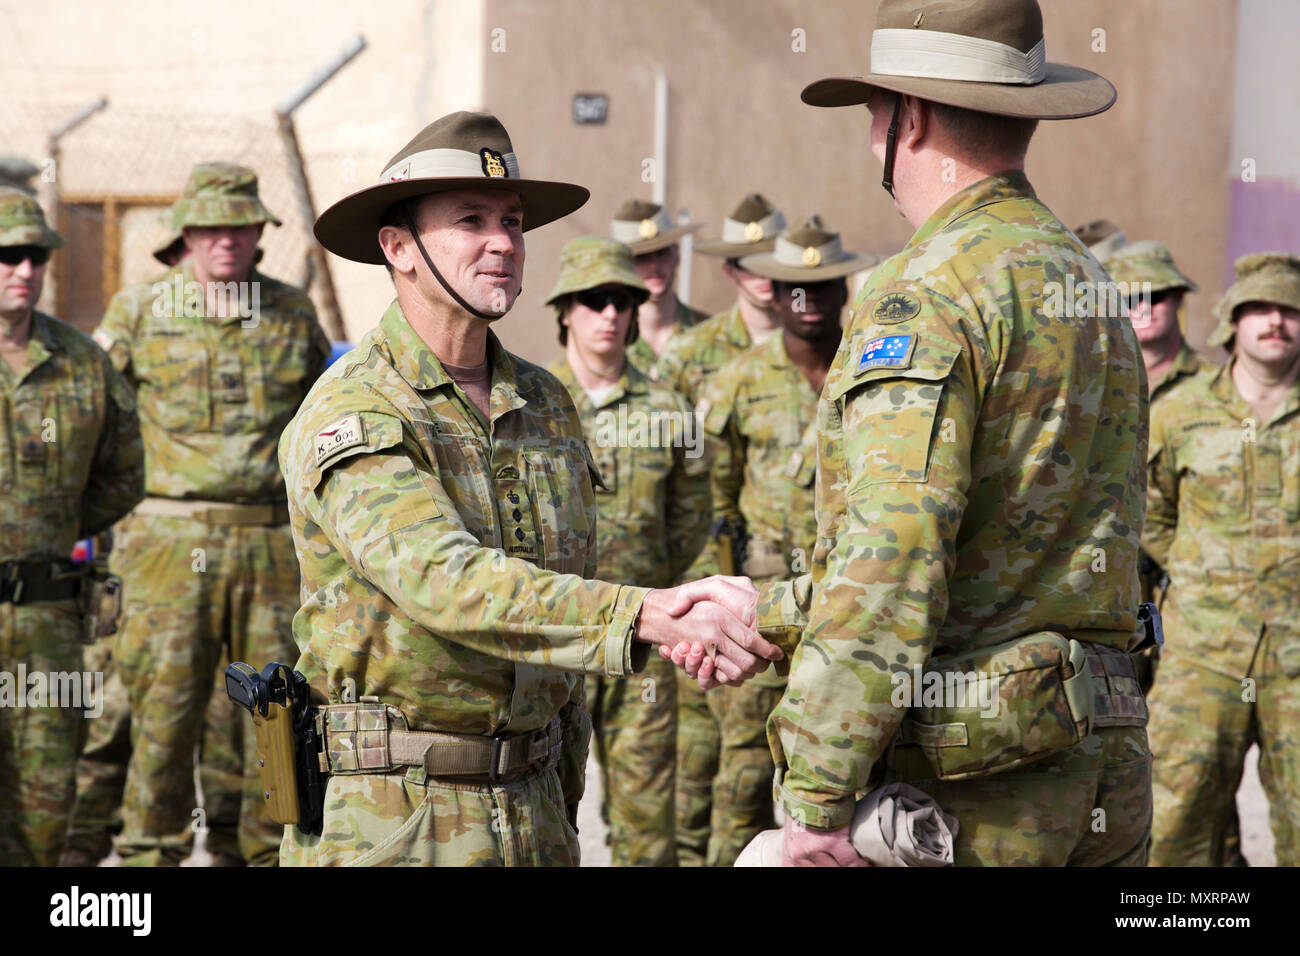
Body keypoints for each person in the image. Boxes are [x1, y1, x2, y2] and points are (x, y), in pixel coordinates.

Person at [676, 0, 1153, 867]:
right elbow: (1015, 557)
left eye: (871, 116)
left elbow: (894, 548)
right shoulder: (1088, 284)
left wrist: (818, 790)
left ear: (913, 117)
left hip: (977, 791)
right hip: (1099, 769)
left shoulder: (923, 291)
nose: (868, 142)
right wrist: (771, 614)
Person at [278, 110, 778, 867]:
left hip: (537, 810)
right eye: (471, 220)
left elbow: (562, 601)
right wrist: (648, 613)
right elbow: (446, 582)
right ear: (399, 248)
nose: (503, 243)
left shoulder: (543, 401)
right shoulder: (357, 409)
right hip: (399, 824)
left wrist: (567, 787)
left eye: (512, 222)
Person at [93, 163, 330, 866]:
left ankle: (260, 854)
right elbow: (94, 422)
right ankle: (149, 856)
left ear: (260, 233)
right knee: (160, 712)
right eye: (210, 227)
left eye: (239, 225)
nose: (225, 239)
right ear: (186, 236)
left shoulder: (292, 313)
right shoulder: (137, 312)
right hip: (166, 545)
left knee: (270, 715)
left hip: (267, 546)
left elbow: (322, 422)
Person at [697, 214, 873, 866]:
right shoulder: (739, 381)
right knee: (742, 777)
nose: (807, 300)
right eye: (793, 286)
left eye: (822, 286)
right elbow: (712, 505)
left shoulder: (874, 369)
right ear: (772, 290)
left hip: (846, 604)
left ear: (842, 290)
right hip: (762, 605)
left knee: (849, 779)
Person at [543, 235, 711, 866]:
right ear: (565, 310)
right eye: (594, 300)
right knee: (545, 816)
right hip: (555, 642)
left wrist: (680, 624)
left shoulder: (670, 410)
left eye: (623, 299)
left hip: (644, 642)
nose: (610, 313)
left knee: (647, 822)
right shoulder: (530, 406)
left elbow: (692, 532)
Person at [0, 187, 144, 866]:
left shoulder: (84, 362)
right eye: (8, 256)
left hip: (48, 622)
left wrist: (48, 526)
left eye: (36, 256)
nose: (25, 269)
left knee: (44, 808)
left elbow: (123, 475)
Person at [1144, 252, 1300, 866]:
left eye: (1289, 309)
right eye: (1259, 308)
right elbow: (1150, 512)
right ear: (1232, 322)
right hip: (1203, 652)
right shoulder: (1180, 415)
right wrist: (1204, 569)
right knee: (1178, 817)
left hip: (1297, 657)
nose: (1275, 322)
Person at [652, 191, 787, 865]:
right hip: (715, 586)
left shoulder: (831, 345)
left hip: (799, 589)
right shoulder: (692, 355)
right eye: (747, 261)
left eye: (775, 260)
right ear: (730, 270)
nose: (764, 274)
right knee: (704, 766)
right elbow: (682, 481)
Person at [1104, 241, 1206, 658]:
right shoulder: (1091, 391)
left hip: (1190, 589)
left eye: (1154, 296)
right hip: (1111, 584)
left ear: (1179, 298)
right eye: (1128, 298)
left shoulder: (1222, 390)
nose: (1141, 307)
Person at [609, 200, 708, 376]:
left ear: (676, 255)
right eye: (642, 257)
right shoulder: (608, 339)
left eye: (662, 252)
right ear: (622, 266)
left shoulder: (710, 334)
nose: (654, 266)